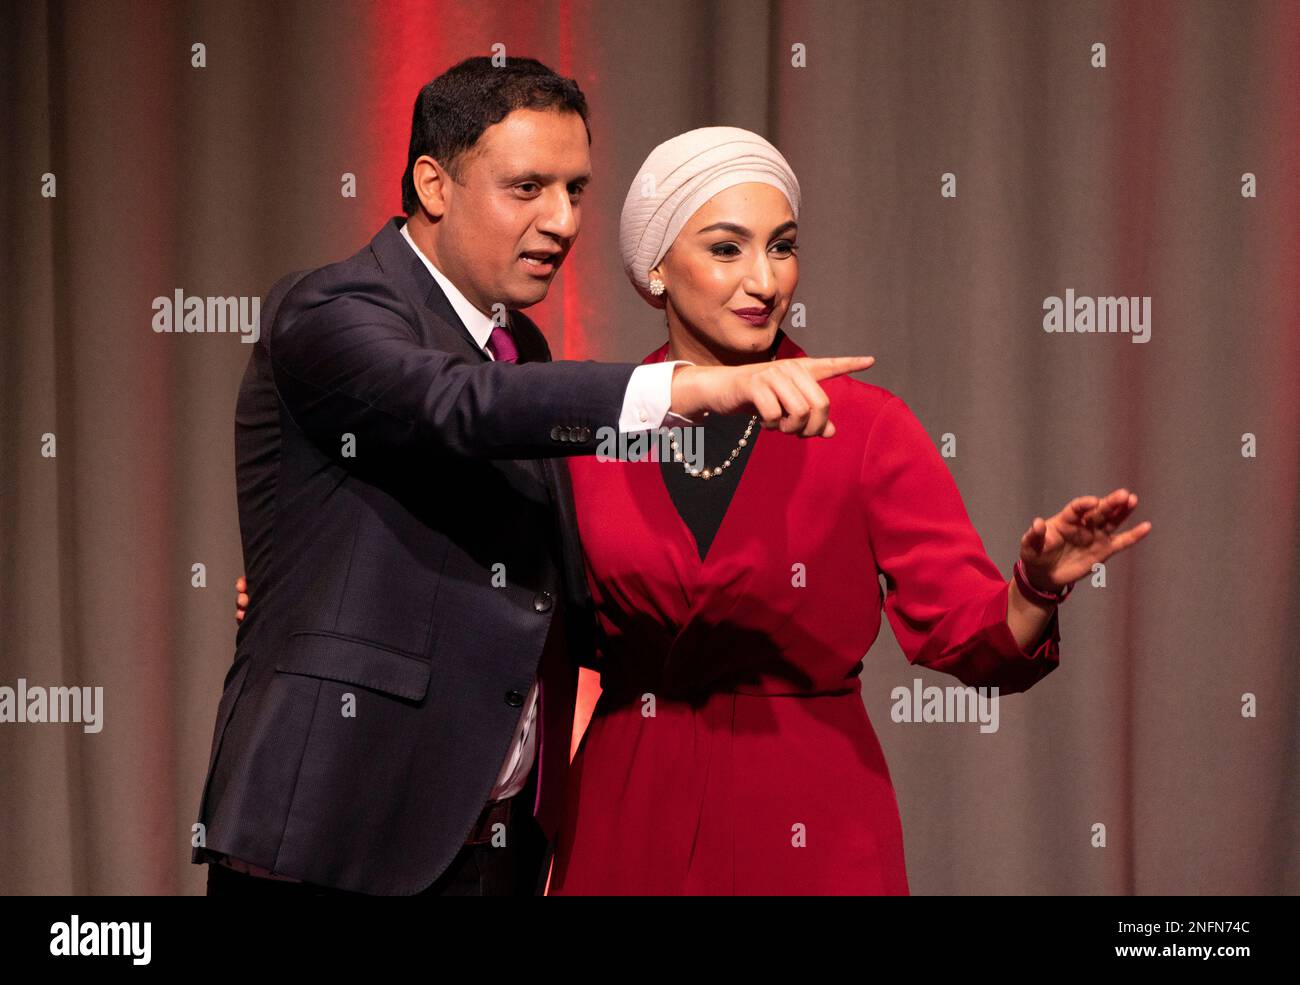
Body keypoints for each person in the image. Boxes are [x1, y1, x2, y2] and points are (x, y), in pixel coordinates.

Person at [192, 60, 870, 897]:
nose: (561, 220)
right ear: (433, 184)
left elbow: (545, 578)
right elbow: (452, 404)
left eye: (576, 190)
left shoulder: (522, 351)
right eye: (528, 188)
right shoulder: (332, 307)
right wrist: (688, 386)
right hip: (337, 832)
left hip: (494, 852)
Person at [542, 126, 1153, 894]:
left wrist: (1034, 586)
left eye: (783, 246)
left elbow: (967, 630)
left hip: (812, 815)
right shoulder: (593, 426)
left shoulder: (867, 426)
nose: (764, 279)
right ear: (656, 268)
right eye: (727, 249)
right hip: (628, 809)